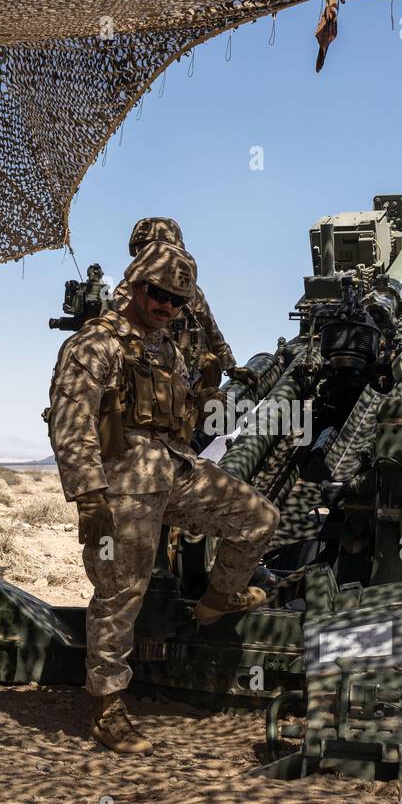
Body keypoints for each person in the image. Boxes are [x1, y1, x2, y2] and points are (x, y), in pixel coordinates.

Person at [46, 240, 279, 755]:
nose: (166, 306)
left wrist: (207, 396)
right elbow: (70, 420)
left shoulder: (165, 347)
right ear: (134, 285)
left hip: (174, 468)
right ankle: (107, 707)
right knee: (120, 593)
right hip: (124, 482)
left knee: (258, 517)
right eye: (157, 294)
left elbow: (181, 414)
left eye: (177, 300)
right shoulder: (97, 343)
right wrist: (89, 495)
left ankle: (217, 601)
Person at [111, 217, 256, 393]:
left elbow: (210, 329)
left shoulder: (190, 291)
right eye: (142, 250)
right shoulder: (131, 289)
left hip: (186, 377)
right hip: (147, 379)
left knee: (210, 363)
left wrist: (230, 367)